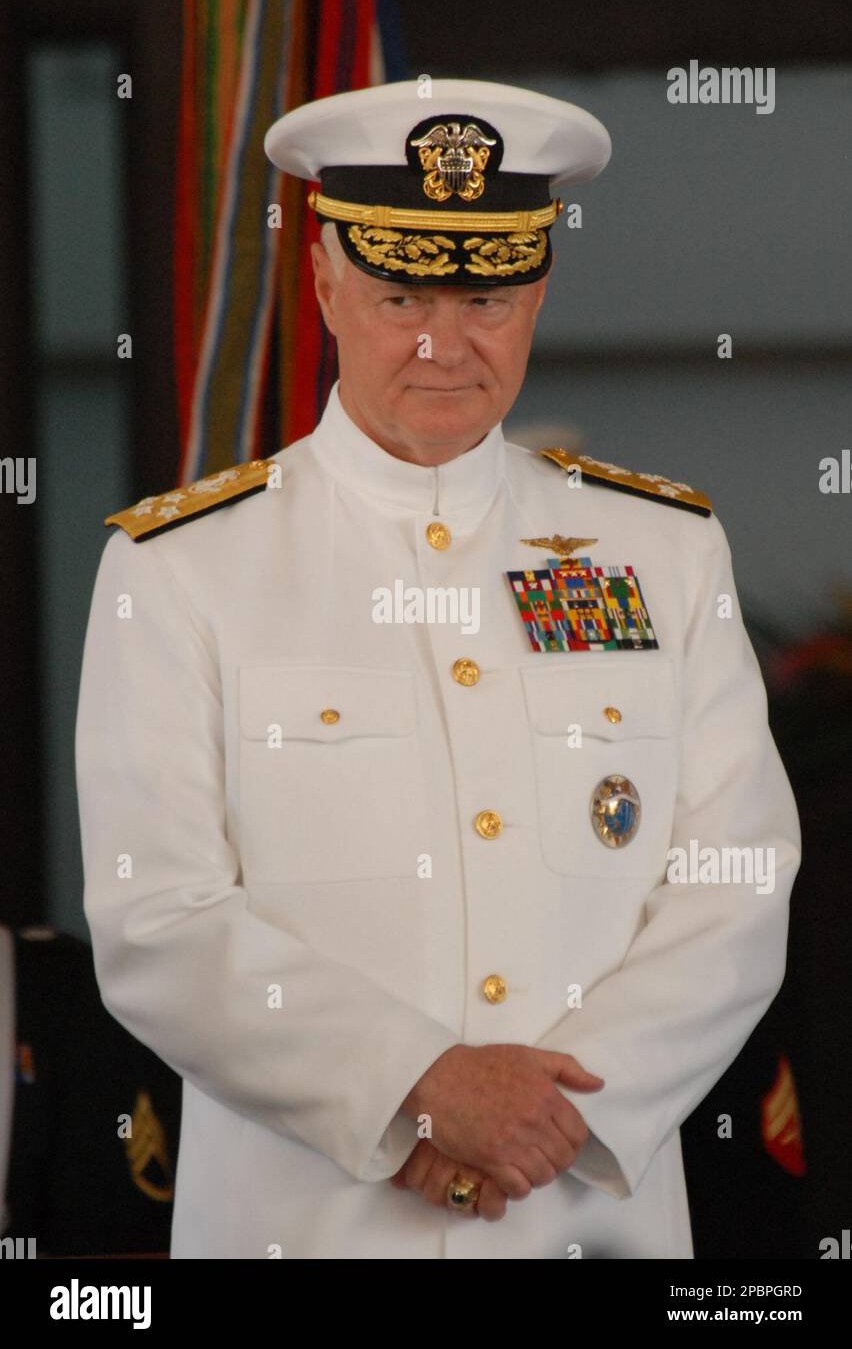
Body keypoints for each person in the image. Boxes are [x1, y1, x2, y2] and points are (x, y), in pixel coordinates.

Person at [75, 78, 801, 1259]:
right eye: (399, 291)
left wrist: (556, 1118)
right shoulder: (182, 570)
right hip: (304, 1228)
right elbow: (158, 917)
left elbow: (737, 878)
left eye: (487, 297)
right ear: (323, 283)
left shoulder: (662, 553)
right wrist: (417, 1083)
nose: (442, 345)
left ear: (540, 292)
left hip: (584, 1215)